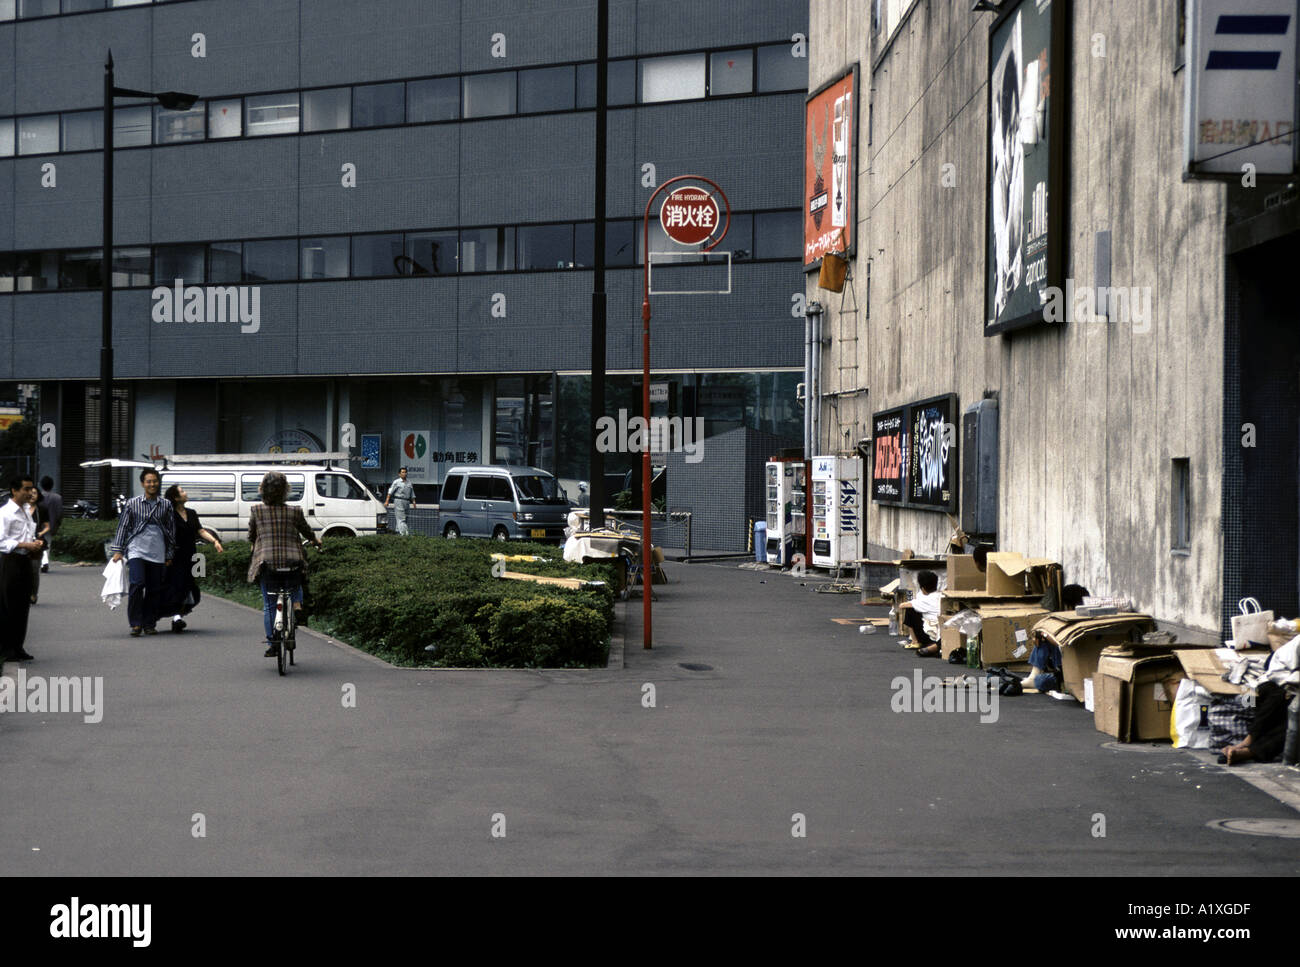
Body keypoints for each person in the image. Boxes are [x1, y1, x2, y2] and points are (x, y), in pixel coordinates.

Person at [248, 471, 321, 657]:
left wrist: (254, 544)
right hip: (292, 562)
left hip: (268, 563)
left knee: (270, 604)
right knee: (297, 582)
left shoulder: (256, 511)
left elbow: (252, 535)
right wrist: (315, 541)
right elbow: (306, 531)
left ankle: (273, 643)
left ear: (263, 490)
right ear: (285, 491)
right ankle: (297, 607)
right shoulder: (295, 511)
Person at [110, 468, 176, 637]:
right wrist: (118, 550)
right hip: (136, 549)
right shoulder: (132, 503)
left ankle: (149, 623)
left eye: (154, 481)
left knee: (154, 589)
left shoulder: (166, 505)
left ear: (158, 483)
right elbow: (123, 527)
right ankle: (136, 623)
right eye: (148, 481)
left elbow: (171, 530)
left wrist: (169, 554)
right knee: (137, 584)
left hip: (158, 550)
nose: (152, 484)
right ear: (142, 483)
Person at [161, 484, 224, 632]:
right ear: (176, 497)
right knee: (177, 585)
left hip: (192, 555)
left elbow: (200, 530)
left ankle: (179, 614)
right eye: (182, 491)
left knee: (190, 585)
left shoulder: (192, 513)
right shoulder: (168, 515)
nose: (185, 493)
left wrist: (215, 541)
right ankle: (176, 617)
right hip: (175, 556)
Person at [1, 476, 43, 662]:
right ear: (14, 490)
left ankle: (18, 646)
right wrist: (25, 544)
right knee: (9, 604)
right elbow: (2, 541)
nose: (29, 493)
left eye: (31, 489)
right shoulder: (5, 513)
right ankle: (7, 648)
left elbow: (28, 533)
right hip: (11, 561)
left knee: (23, 605)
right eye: (25, 489)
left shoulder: (26, 511)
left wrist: (34, 543)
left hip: (26, 560)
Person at [906, 570, 944, 657]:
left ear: (922, 588)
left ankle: (915, 641)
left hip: (928, 635)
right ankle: (937, 646)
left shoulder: (924, 599)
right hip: (941, 631)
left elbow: (902, 605)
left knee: (910, 609)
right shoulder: (942, 595)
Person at [26, 483, 49, 604]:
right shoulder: (21, 509)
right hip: (23, 543)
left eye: (35, 493)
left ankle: (33, 594)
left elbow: (47, 526)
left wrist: (41, 533)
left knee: (34, 570)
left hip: (37, 543)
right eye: (30, 493)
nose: (32, 495)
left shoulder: (42, 509)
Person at [39, 476, 63, 573]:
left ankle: (42, 563)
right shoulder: (57, 498)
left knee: (39, 543)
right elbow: (59, 513)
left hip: (39, 526)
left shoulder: (37, 496)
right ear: (52, 485)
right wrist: (58, 524)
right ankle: (44, 563)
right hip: (51, 525)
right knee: (47, 544)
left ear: (41, 485)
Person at [384, 466, 417, 536]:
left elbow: (412, 493)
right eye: (402, 472)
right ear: (399, 474)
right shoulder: (396, 482)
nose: (404, 474)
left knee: (405, 518)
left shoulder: (409, 483)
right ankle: (405, 535)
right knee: (401, 518)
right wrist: (387, 501)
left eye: (405, 472)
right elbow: (390, 491)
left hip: (407, 501)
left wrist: (414, 502)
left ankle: (397, 533)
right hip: (399, 500)